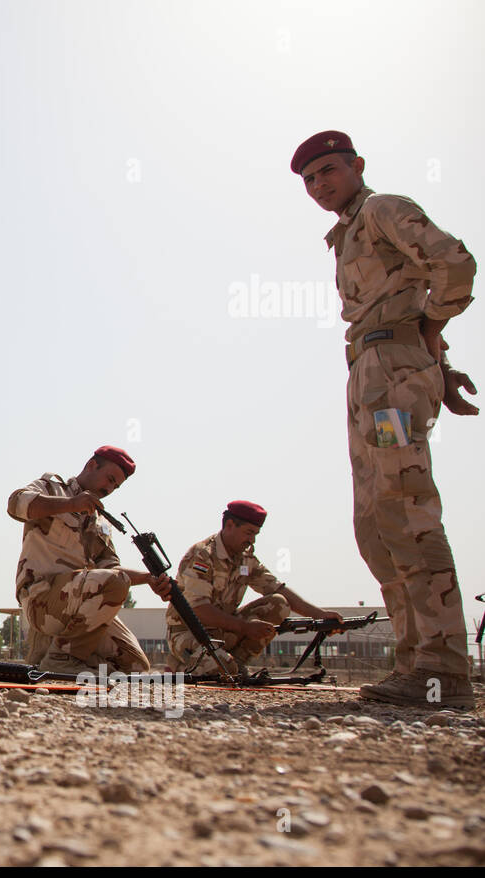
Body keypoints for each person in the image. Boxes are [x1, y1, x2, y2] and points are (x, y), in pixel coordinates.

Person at [292, 130, 477, 709]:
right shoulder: (347, 235)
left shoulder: (381, 210)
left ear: (356, 167)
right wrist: (436, 367)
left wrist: (431, 338)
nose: (320, 184)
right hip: (371, 376)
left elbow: (455, 264)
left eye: (328, 170)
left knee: (406, 507)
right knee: (375, 525)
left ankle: (444, 671)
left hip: (390, 375)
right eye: (310, 179)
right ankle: (415, 665)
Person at [7, 446, 170, 674]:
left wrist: (148, 578)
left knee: (136, 666)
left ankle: (56, 652)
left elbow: (111, 570)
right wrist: (71, 504)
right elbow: (15, 504)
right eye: (110, 479)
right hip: (42, 600)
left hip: (78, 605)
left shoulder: (99, 521)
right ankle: (61, 659)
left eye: (116, 486)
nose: (109, 489)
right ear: (92, 465)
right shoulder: (52, 488)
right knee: (116, 581)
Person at [166, 501, 341, 675]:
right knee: (220, 670)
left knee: (279, 604)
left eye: (256, 534)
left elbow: (277, 588)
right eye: (248, 533)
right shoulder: (202, 555)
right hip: (190, 632)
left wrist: (319, 615)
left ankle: (237, 663)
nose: (252, 540)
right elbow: (199, 609)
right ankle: (181, 666)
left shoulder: (246, 559)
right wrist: (245, 627)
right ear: (229, 525)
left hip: (224, 631)